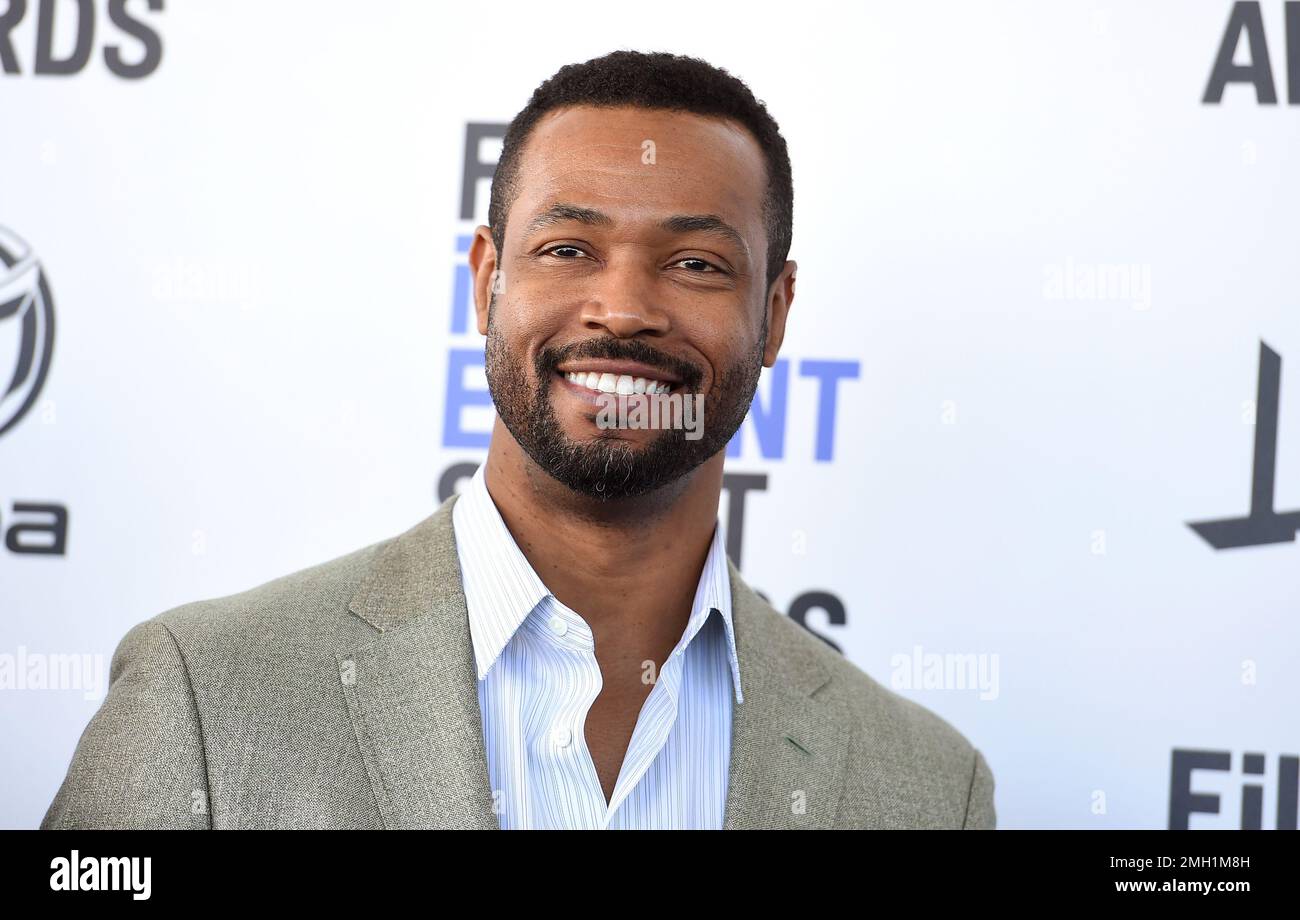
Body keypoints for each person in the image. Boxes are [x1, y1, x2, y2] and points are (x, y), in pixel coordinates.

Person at [41, 49, 995, 830]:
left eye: (696, 263)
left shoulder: (924, 788)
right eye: (568, 248)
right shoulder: (208, 694)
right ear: (487, 280)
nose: (623, 307)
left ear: (774, 316)